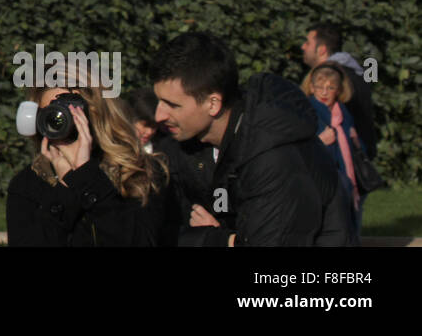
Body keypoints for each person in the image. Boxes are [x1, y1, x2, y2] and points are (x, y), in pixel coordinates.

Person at [152, 31, 354, 246]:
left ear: (212, 104)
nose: (158, 115)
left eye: (172, 104)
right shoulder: (185, 144)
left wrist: (215, 240)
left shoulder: (275, 157)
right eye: (159, 101)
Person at [7, 83, 174, 246]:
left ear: (98, 116)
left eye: (75, 112)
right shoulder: (27, 185)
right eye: (53, 113)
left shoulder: (139, 173)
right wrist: (65, 189)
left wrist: (86, 177)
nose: (64, 121)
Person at [303, 61, 367, 231]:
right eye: (320, 87)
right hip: (322, 180)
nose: (324, 92)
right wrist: (320, 141)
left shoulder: (343, 113)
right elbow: (297, 147)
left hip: (348, 180)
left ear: (339, 90)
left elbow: (358, 151)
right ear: (311, 87)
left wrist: (355, 141)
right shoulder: (306, 110)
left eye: (330, 88)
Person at [302, 26, 377, 159]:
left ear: (322, 50)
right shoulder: (355, 74)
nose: (303, 47)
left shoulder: (340, 79)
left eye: (308, 43)